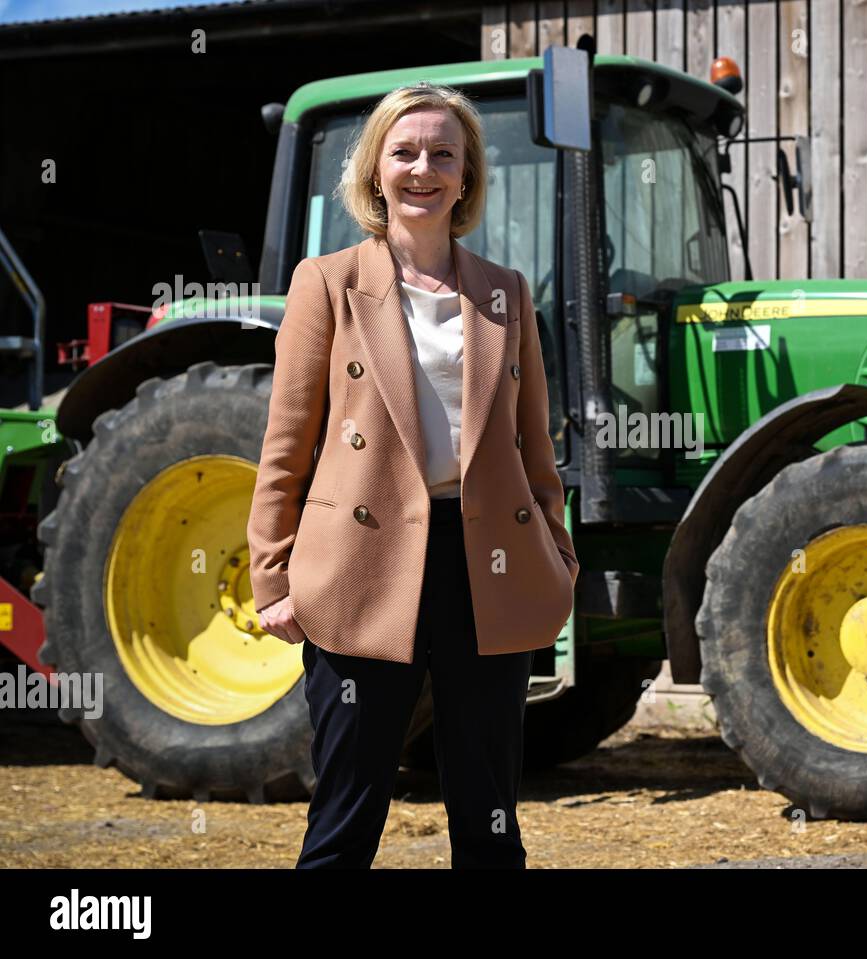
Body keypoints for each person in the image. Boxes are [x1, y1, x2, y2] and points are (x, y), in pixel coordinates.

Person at [246, 82, 579, 869]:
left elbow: (536, 449)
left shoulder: (506, 292)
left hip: (487, 566)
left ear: (465, 176)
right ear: (375, 170)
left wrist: (557, 557)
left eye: (442, 154)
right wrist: (272, 576)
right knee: (347, 809)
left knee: (490, 810)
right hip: (360, 570)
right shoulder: (325, 283)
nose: (422, 168)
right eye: (404, 152)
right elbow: (285, 444)